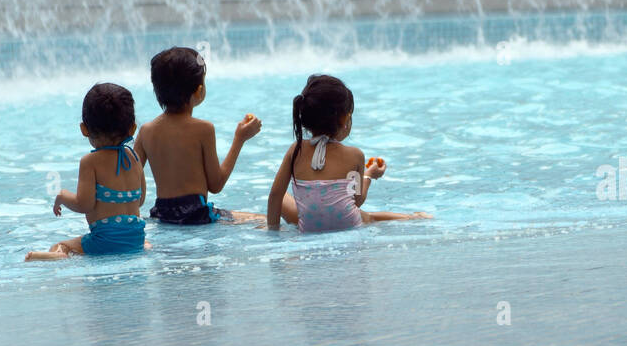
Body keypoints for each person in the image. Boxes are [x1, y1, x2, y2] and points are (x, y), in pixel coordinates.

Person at [266, 74, 429, 231]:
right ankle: (412, 218)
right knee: (368, 216)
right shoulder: (355, 155)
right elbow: (356, 200)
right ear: (345, 119)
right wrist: (369, 175)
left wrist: (273, 229)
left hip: (309, 228)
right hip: (348, 224)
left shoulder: (296, 150)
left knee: (283, 197)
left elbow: (275, 195)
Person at [25, 82, 150, 260]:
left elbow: (84, 204)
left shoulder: (90, 162)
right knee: (140, 243)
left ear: (84, 129)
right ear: (132, 128)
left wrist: (62, 196)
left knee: (61, 246)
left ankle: (59, 255)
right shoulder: (134, 157)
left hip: (104, 242)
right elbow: (140, 200)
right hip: (135, 239)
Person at [138, 47, 263, 224]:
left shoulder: (145, 131)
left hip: (161, 214)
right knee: (263, 221)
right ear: (199, 91)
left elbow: (131, 179)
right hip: (196, 214)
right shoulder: (204, 129)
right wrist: (239, 139)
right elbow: (216, 185)